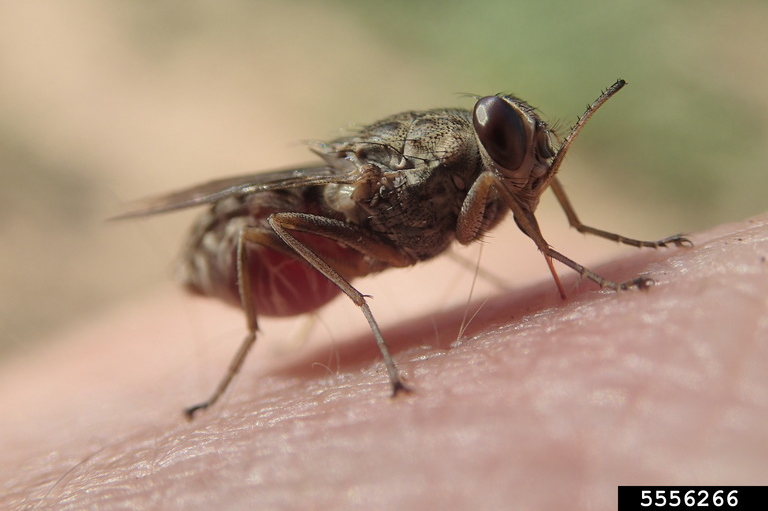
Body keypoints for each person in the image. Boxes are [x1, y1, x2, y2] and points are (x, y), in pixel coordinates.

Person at [2, 215, 766, 510]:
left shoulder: (481, 183)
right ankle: (250, 348)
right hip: (251, 249)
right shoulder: (411, 182)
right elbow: (268, 225)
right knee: (265, 226)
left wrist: (589, 242)